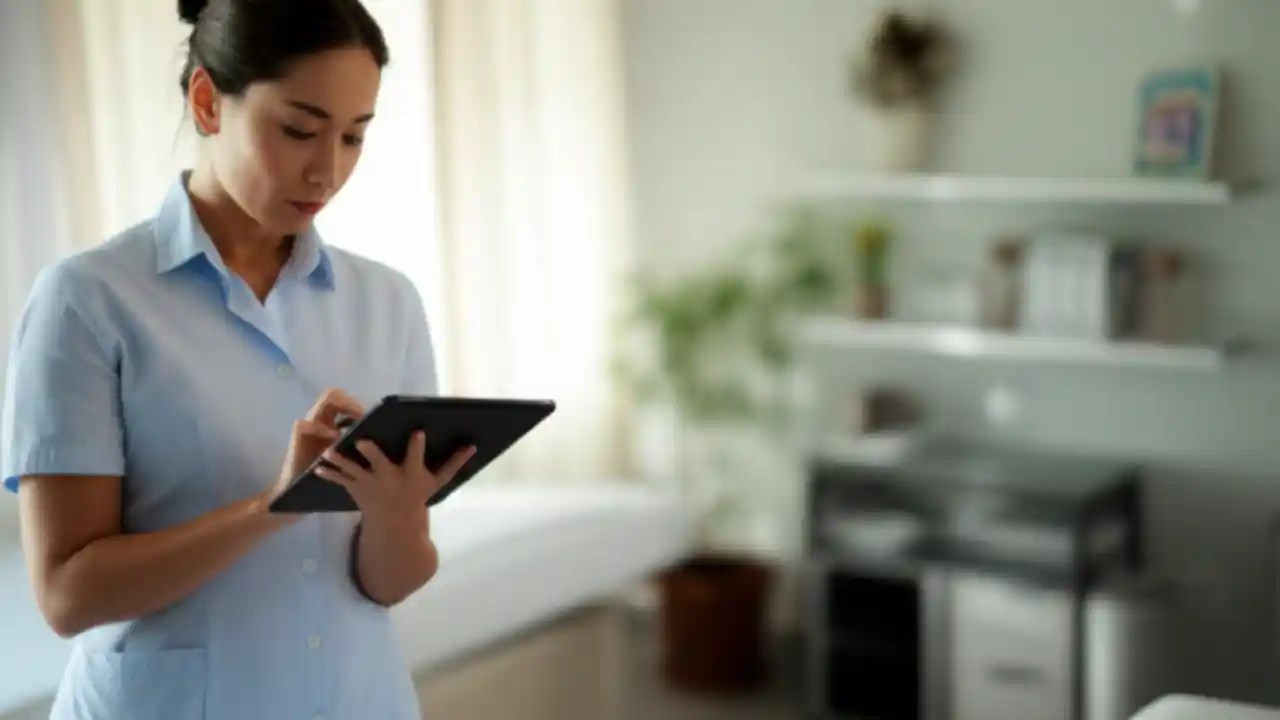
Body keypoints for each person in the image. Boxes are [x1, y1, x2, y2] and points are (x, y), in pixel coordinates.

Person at [0, 1, 474, 717]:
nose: (328, 170)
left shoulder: (387, 301)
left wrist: (396, 515)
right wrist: (275, 506)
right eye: (299, 130)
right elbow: (69, 595)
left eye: (353, 136)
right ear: (206, 101)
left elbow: (389, 581)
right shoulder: (89, 300)